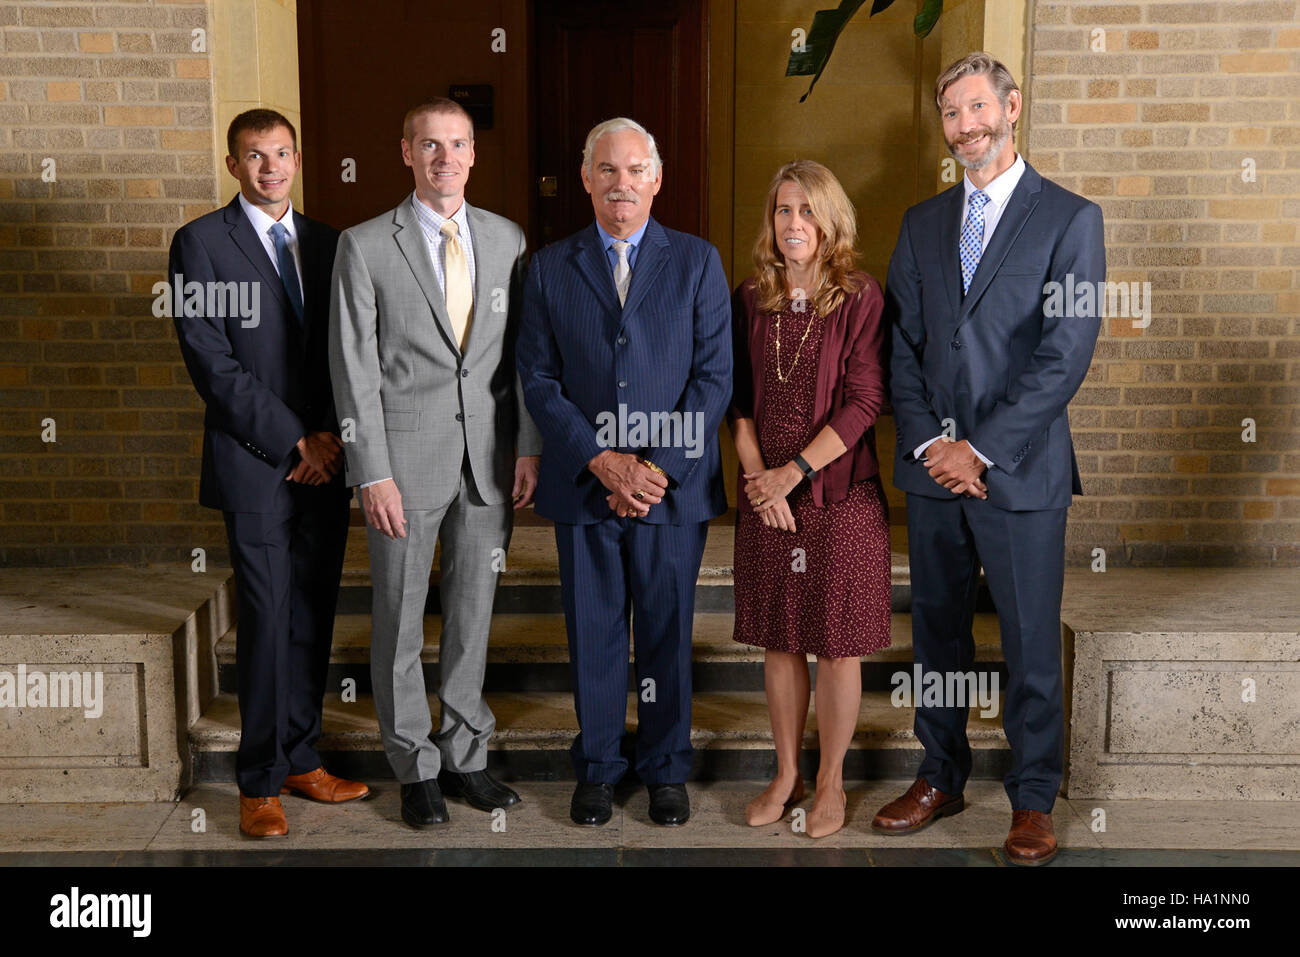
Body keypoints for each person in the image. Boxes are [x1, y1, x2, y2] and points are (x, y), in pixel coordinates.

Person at [872, 52, 1105, 865]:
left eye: (977, 109)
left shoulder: (1071, 218)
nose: (965, 127)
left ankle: (1034, 796)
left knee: (1031, 639)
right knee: (938, 635)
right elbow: (899, 344)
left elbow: (1065, 354)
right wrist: (937, 446)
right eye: (951, 114)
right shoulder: (921, 222)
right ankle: (939, 773)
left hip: (1022, 473)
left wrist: (983, 449)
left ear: (1011, 108)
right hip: (935, 475)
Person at [329, 98, 541, 829]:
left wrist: (529, 448)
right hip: (402, 466)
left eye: (457, 144)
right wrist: (370, 470)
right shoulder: (364, 246)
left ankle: (465, 755)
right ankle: (413, 764)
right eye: (430, 145)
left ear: (474, 155)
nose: (445, 157)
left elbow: (522, 361)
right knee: (397, 620)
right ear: (406, 153)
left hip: (487, 461)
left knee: (472, 613)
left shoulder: (507, 238)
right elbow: (353, 368)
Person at [517, 117, 731, 828]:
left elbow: (713, 379)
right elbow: (539, 380)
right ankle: (600, 769)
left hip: (671, 489)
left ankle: (666, 770)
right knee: (595, 632)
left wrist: (653, 468)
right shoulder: (549, 266)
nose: (622, 183)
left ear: (657, 179)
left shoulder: (698, 262)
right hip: (586, 483)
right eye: (607, 170)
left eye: (636, 169)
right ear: (586, 178)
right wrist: (604, 462)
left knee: (668, 630)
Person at [170, 108, 367, 839]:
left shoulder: (327, 243)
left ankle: (301, 758)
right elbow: (211, 365)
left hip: (328, 463)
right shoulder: (199, 243)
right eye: (255, 155)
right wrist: (295, 442)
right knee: (266, 617)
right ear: (234, 164)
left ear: (297, 157)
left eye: (282, 153)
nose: (271, 167)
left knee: (312, 615)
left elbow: (346, 351)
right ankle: (258, 781)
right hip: (257, 466)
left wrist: (330, 441)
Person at [729, 160, 891, 839]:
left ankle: (830, 784)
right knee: (778, 641)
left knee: (837, 644)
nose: (793, 223)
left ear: (830, 221)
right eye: (783, 210)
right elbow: (735, 403)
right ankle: (787, 772)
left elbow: (865, 403)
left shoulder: (859, 295)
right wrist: (759, 482)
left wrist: (792, 471)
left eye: (807, 211)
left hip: (838, 497)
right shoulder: (750, 296)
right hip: (767, 495)